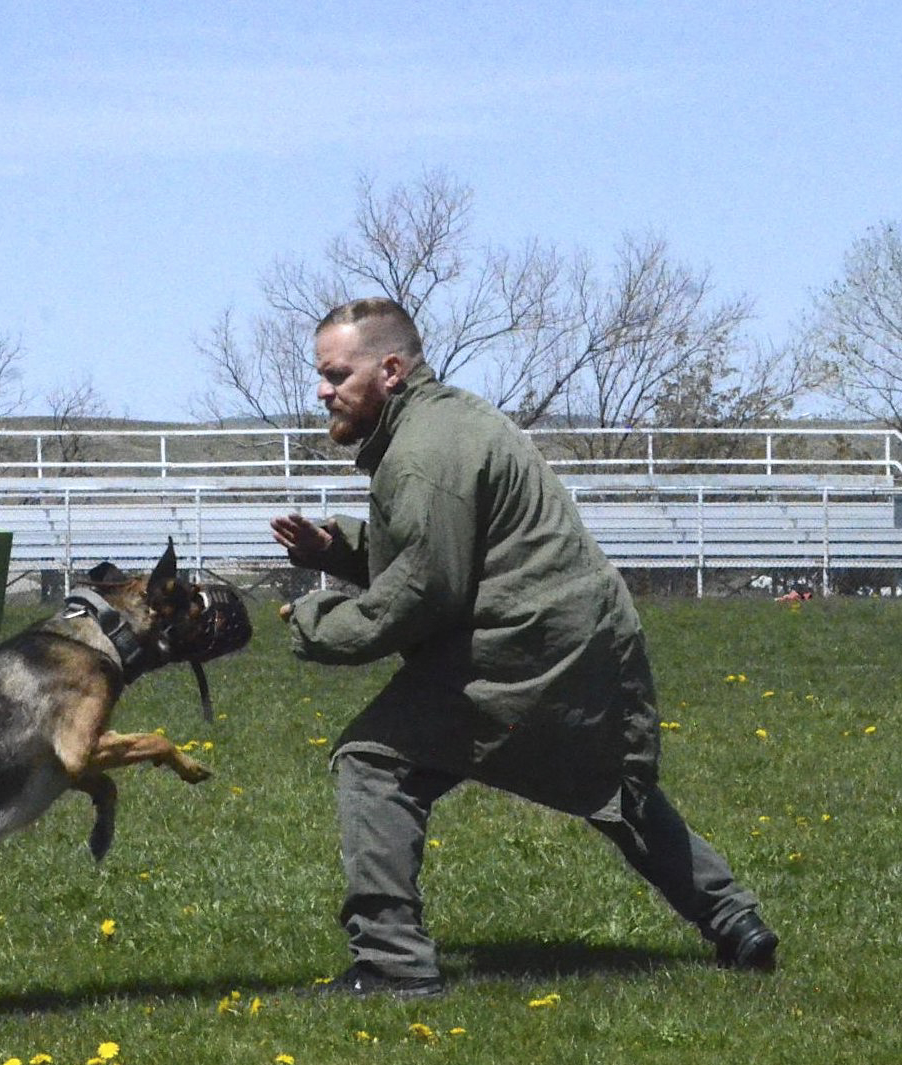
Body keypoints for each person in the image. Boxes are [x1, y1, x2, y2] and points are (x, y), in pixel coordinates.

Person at [272, 297, 777, 999]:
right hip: (584, 639)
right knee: (609, 787)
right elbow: (453, 553)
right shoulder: (449, 420)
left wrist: (315, 622)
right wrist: (342, 548)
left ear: (388, 369)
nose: (322, 390)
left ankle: (391, 962)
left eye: (334, 373)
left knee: (374, 761)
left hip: (519, 650)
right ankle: (734, 920)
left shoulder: (419, 455)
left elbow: (424, 591)